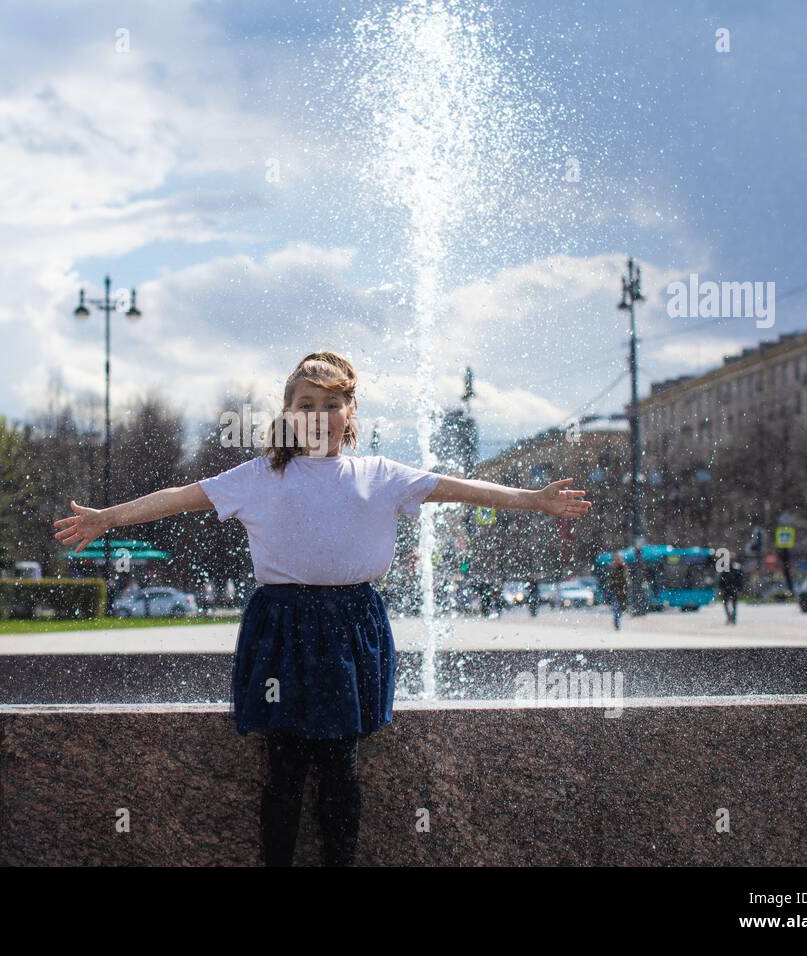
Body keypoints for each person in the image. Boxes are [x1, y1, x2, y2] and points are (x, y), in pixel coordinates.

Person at [53, 350, 593, 865]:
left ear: (349, 413)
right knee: (285, 766)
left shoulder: (379, 475)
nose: (318, 416)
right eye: (306, 405)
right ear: (287, 414)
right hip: (282, 626)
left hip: (352, 626)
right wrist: (107, 518)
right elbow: (176, 496)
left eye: (331, 404)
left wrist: (534, 500)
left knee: (341, 765)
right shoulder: (260, 476)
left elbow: (461, 490)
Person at [607, 555, 628, 631]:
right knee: (616, 608)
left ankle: (617, 620)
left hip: (622, 592)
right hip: (615, 591)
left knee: (621, 609)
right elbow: (610, 580)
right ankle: (616, 622)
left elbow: (626, 579)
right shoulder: (612, 568)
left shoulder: (623, 568)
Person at [719, 560, 743, 625]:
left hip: (731, 589)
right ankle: (731, 617)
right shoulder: (728, 569)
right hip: (730, 589)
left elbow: (740, 580)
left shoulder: (735, 569)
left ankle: (731, 618)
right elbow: (721, 579)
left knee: (732, 604)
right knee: (730, 604)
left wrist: (740, 589)